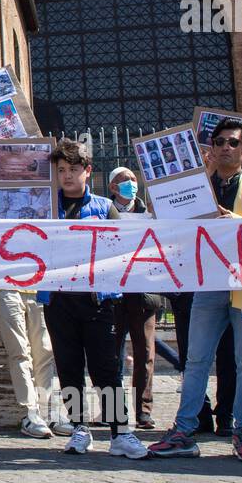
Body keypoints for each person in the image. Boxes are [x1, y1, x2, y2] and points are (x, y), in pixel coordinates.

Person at [149, 118, 242, 464]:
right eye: (220, 141)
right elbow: (167, 222)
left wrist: (237, 226)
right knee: (195, 359)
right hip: (207, 284)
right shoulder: (196, 187)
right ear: (211, 147)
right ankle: (183, 430)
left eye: (234, 142)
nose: (226, 147)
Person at [40, 140, 147, 459]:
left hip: (98, 301)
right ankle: (79, 429)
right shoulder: (46, 208)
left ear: (87, 171)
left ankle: (120, 433)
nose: (67, 176)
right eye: (61, 170)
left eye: (73, 169)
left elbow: (123, 248)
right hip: (58, 300)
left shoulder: (104, 208)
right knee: (69, 368)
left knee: (106, 369)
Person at [0, 137, 67, 437]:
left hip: (40, 284)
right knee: (18, 349)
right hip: (6, 285)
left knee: (45, 349)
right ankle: (30, 411)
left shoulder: (48, 201)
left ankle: (50, 408)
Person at [108, 166, 163, 430]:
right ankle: (112, 410)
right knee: (110, 354)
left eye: (132, 179)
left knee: (145, 353)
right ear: (112, 187)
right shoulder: (105, 212)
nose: (130, 183)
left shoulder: (150, 213)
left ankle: (143, 411)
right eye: (123, 180)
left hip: (144, 292)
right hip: (114, 293)